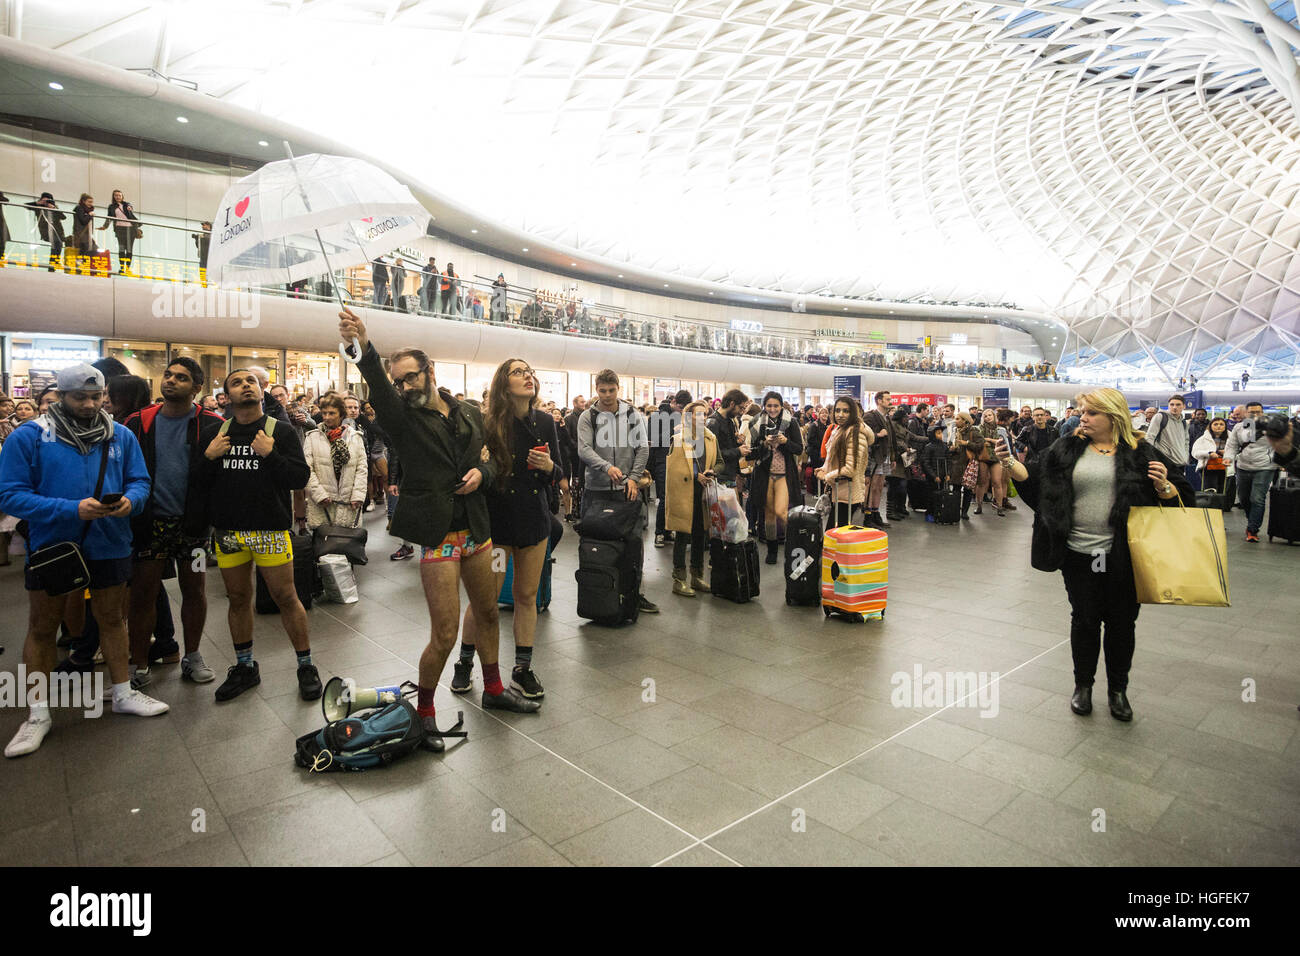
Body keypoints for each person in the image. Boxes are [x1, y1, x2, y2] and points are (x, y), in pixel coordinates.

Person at [339, 307, 539, 749]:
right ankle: (425, 712)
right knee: (446, 633)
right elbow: (378, 384)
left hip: (477, 530)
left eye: (410, 377)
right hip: (438, 536)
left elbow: (494, 461)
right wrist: (363, 346)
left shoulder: (468, 411)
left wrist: (481, 477)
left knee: (487, 613)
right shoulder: (402, 418)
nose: (404, 387)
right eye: (398, 381)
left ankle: (493, 689)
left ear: (430, 372)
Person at [0, 363, 168, 758]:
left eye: (97, 397)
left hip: (110, 540)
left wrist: (132, 501)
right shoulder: (30, 436)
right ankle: (38, 713)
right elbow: (10, 495)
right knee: (43, 627)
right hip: (54, 545)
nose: (91, 404)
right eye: (82, 397)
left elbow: (141, 482)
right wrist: (70, 509)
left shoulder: (120, 435)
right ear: (60, 395)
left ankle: (123, 691)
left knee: (112, 618)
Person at [1007, 387, 1191, 722]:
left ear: (1112, 416)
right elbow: (1040, 487)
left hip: (1125, 554)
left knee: (1122, 624)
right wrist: (1010, 466)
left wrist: (1166, 486)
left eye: (1091, 412)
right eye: (1081, 411)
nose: (1082, 417)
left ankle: (1118, 690)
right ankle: (1084, 686)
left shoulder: (1141, 452)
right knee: (1085, 620)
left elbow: (1182, 498)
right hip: (1079, 553)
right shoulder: (1066, 448)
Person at [198, 368, 318, 702]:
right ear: (226, 395)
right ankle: (244, 666)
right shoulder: (215, 432)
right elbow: (198, 482)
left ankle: (306, 665)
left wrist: (271, 453)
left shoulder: (279, 431)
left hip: (270, 530)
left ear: (261, 389)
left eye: (251, 381)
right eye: (237, 382)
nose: (245, 386)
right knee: (237, 599)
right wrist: (209, 457)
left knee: (286, 597)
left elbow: (298, 477)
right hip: (229, 532)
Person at [456, 359, 561, 699]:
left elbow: (560, 472)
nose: (528, 376)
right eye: (518, 372)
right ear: (503, 383)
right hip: (497, 527)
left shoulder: (545, 421)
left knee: (526, 596)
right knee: (485, 601)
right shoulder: (488, 423)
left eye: (531, 371)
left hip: (533, 521)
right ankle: (464, 662)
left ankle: (523, 668)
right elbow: (475, 470)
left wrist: (549, 467)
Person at [122, 357, 222, 688]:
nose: (171, 381)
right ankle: (138, 663)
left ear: (196, 388)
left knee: (194, 589)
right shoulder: (138, 421)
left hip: (193, 525)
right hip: (149, 523)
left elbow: (216, 474)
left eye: (181, 377)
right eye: (168, 375)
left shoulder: (210, 423)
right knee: (143, 592)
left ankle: (192, 656)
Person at [577, 369, 657, 613]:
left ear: (618, 389)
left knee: (632, 542)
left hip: (626, 489)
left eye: (612, 390)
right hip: (596, 490)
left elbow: (643, 448)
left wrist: (632, 478)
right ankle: (597, 591)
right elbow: (584, 449)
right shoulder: (587, 416)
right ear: (596, 389)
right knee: (594, 542)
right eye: (603, 391)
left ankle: (634, 593)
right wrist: (606, 467)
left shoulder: (632, 414)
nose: (608, 395)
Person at [666, 400, 719, 596]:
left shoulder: (711, 438)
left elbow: (719, 462)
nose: (703, 418)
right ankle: (679, 580)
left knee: (699, 534)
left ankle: (697, 576)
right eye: (698, 414)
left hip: (702, 492)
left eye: (705, 414)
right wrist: (697, 475)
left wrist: (712, 471)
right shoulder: (679, 439)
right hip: (684, 492)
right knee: (682, 535)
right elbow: (674, 470)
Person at [746, 391, 804, 565]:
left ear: (781, 406)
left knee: (782, 512)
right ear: (764, 406)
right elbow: (752, 454)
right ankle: (772, 551)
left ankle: (792, 546)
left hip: (784, 474)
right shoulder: (756, 423)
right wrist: (765, 444)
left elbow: (799, 449)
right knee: (769, 514)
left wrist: (785, 442)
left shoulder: (791, 423)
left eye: (776, 405)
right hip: (764, 474)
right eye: (769, 406)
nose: (772, 409)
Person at [302, 394, 367, 532]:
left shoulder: (355, 437)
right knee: (323, 547)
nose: (326, 417)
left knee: (347, 546)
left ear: (341, 414)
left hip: (349, 503)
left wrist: (358, 496)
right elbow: (307, 469)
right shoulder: (312, 437)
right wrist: (319, 495)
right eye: (324, 413)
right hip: (322, 505)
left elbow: (362, 469)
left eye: (331, 413)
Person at [1224, 401, 1278, 543]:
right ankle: (1252, 520)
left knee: (1257, 498)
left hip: (1265, 467)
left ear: (1262, 412)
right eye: (1252, 412)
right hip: (1243, 466)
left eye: (1258, 412)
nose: (1255, 414)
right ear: (1246, 413)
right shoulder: (1239, 427)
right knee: (1244, 498)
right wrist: (1228, 458)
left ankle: (1252, 529)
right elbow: (1232, 445)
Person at [816, 396, 871, 527]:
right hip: (838, 491)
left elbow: (850, 469)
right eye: (837, 410)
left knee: (835, 537)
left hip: (848, 495)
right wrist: (823, 469)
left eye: (846, 411)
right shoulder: (839, 429)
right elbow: (831, 458)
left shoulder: (855, 433)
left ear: (853, 413)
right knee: (833, 536)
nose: (840, 414)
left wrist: (826, 476)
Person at [861, 390, 893, 529]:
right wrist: (878, 434)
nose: (890, 401)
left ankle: (875, 513)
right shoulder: (870, 416)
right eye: (887, 399)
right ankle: (868, 516)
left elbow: (892, 438)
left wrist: (893, 455)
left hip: (885, 456)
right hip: (875, 455)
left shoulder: (887, 417)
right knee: (872, 485)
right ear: (879, 401)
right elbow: (864, 434)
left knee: (880, 486)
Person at [706, 388, 749, 487]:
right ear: (732, 404)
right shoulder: (713, 423)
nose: (741, 412)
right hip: (719, 477)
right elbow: (714, 454)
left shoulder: (729, 421)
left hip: (729, 475)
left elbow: (727, 446)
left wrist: (738, 443)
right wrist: (738, 451)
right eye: (741, 408)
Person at [98, 189, 138, 274]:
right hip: (120, 229)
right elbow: (109, 217)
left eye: (119, 195)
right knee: (121, 249)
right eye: (116, 195)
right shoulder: (111, 207)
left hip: (130, 229)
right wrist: (105, 226)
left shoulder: (127, 204)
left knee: (129, 249)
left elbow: (130, 212)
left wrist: (129, 208)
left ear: (122, 196)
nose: (118, 197)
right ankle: (122, 267)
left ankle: (127, 268)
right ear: (113, 197)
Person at [26, 192, 67, 271]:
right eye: (45, 200)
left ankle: (54, 264)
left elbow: (63, 217)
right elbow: (27, 206)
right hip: (46, 231)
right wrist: (38, 203)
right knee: (56, 243)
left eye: (48, 200)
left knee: (58, 244)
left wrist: (54, 208)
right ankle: (52, 265)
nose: (46, 202)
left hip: (57, 231)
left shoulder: (54, 207)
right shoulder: (38, 207)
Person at [1192, 417, 1232, 494]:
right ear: (1210, 426)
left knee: (1224, 492)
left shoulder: (1231, 438)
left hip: (1226, 469)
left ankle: (1223, 506)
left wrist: (1227, 453)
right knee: (1210, 492)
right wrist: (1209, 454)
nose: (1219, 426)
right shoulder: (1203, 439)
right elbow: (1195, 453)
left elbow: (1238, 453)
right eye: (1215, 424)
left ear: (1225, 426)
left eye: (1221, 424)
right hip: (1208, 469)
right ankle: (1210, 506)